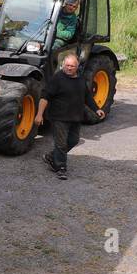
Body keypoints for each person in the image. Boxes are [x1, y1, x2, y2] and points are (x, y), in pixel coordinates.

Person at [34, 52, 103, 180]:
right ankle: (61, 168)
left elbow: (87, 96)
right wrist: (39, 114)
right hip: (59, 117)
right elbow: (45, 97)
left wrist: (96, 109)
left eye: (72, 66)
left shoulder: (81, 79)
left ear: (77, 67)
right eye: (67, 65)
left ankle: (51, 156)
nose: (69, 68)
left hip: (75, 117)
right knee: (61, 143)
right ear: (63, 65)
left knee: (73, 140)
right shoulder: (57, 79)